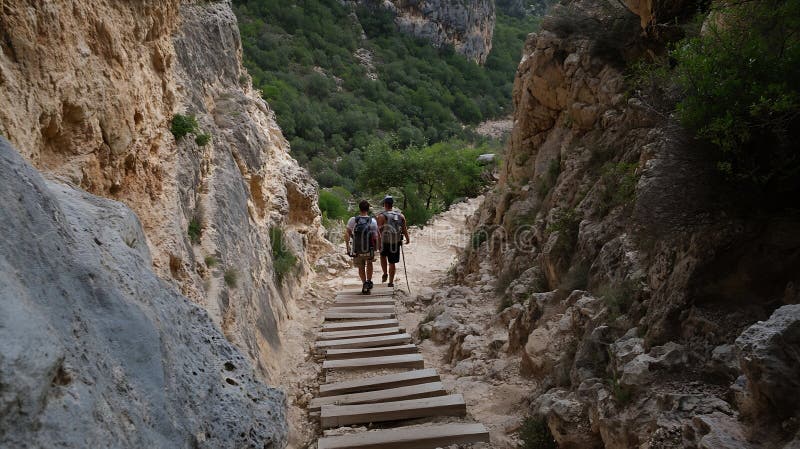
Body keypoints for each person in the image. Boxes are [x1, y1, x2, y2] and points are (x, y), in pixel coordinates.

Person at [345, 200, 379, 294]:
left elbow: (347, 233)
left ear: (359, 208)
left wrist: (347, 246)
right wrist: (377, 248)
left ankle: (364, 283)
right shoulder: (372, 221)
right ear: (368, 209)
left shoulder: (353, 220)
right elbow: (375, 236)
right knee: (369, 263)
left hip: (357, 248)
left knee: (361, 266)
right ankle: (369, 281)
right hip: (369, 248)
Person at [376, 195, 410, 288]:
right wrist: (407, 238)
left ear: (385, 204)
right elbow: (404, 229)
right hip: (395, 242)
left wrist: (378, 243)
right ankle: (391, 282)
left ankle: (385, 273)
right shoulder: (400, 216)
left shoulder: (381, 216)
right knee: (392, 262)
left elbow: (378, 231)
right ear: (392, 204)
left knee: (383, 257)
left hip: (384, 241)